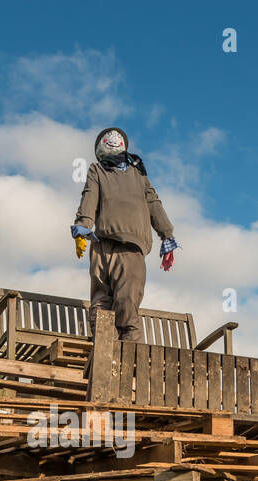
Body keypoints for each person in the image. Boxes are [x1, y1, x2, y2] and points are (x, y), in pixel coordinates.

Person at [72, 127, 178, 343]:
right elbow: (90, 197)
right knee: (106, 306)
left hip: (127, 247)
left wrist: (167, 236)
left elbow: (153, 204)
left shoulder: (138, 174)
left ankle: (128, 365)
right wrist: (83, 226)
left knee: (124, 308)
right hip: (106, 246)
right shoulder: (100, 171)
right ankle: (105, 360)